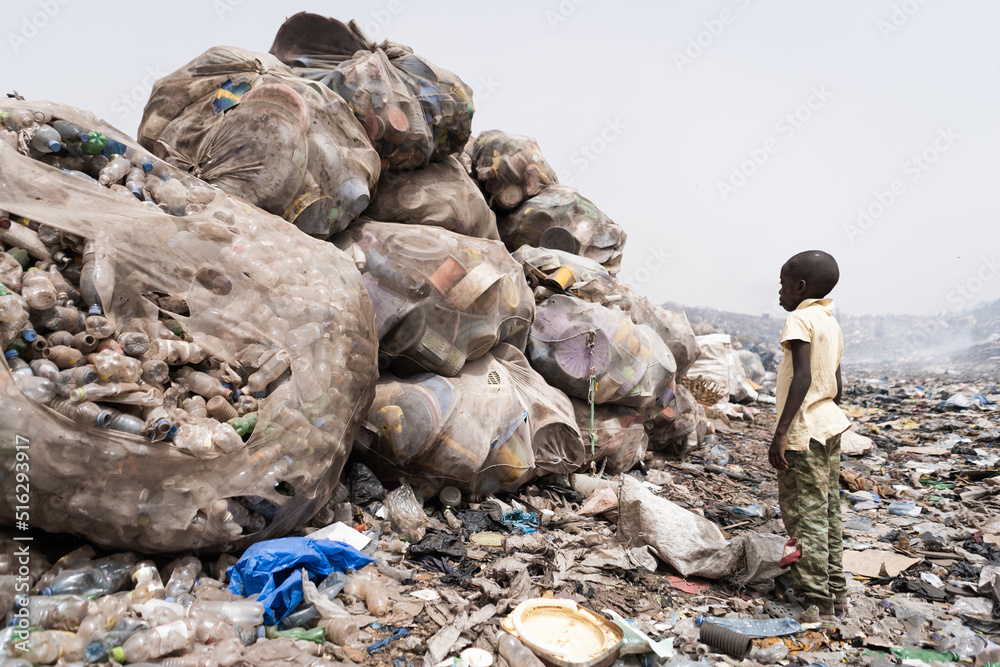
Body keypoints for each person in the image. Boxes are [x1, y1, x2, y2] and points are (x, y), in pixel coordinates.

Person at [769, 250, 851, 621]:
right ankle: (837, 592)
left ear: (801, 287)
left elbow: (802, 378)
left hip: (804, 432)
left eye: (783, 285)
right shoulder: (830, 323)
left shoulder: (800, 320)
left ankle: (814, 599)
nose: (780, 292)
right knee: (828, 512)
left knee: (805, 516)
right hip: (829, 425)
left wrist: (781, 431)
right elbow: (836, 383)